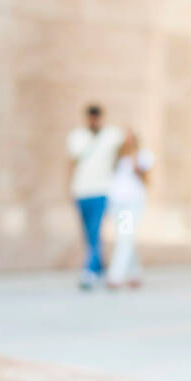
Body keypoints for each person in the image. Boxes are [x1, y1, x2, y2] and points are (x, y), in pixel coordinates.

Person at [66, 105, 125, 289]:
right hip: (81, 191)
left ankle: (89, 272)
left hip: (101, 190)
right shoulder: (76, 137)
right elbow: (71, 162)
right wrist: (68, 187)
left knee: (95, 231)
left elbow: (124, 152)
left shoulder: (112, 135)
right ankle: (98, 266)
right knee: (87, 233)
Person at [105, 131, 154, 289]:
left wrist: (134, 160)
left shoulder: (143, 156)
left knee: (124, 238)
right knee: (126, 238)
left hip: (131, 203)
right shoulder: (117, 159)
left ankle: (115, 276)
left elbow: (146, 178)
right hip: (116, 202)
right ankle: (134, 273)